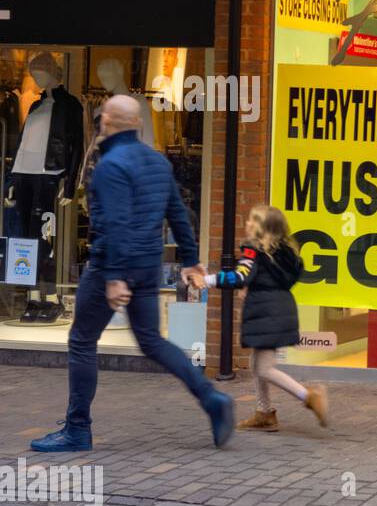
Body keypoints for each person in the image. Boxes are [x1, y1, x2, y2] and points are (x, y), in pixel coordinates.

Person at [30, 95, 234, 452]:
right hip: (148, 265)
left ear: (106, 122)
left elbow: (114, 224)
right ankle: (212, 399)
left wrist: (113, 277)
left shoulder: (111, 165)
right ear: (138, 124)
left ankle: (77, 430)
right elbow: (178, 212)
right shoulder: (157, 162)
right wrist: (189, 258)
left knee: (81, 340)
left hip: (115, 265)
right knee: (151, 341)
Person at [205, 205, 328, 432]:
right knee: (257, 363)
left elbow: (240, 275)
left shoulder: (254, 251)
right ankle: (264, 414)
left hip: (267, 314)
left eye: (254, 221)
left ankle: (309, 396)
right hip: (279, 310)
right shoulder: (283, 254)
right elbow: (265, 279)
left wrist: (208, 279)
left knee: (265, 368)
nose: (248, 224)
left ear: (264, 228)